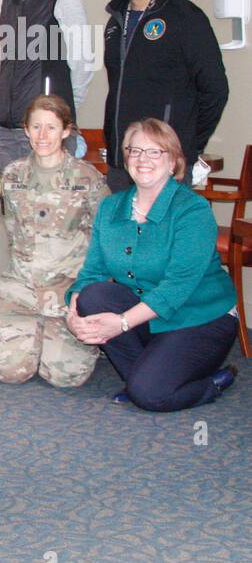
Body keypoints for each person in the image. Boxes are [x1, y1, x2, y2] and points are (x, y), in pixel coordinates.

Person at [68, 118, 238, 411]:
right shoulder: (111, 208)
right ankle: (145, 376)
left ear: (173, 162)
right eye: (135, 151)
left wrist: (121, 322)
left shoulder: (191, 211)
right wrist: (73, 311)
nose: (142, 159)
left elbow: (176, 288)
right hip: (148, 313)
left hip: (199, 316)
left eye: (154, 152)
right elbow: (92, 272)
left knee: (151, 395)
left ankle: (210, 384)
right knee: (93, 296)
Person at [0, 95, 107, 387]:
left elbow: (103, 240)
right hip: (21, 290)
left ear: (66, 131)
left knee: (65, 376)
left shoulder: (88, 180)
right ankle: (29, 334)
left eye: (51, 128)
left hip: (67, 291)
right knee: (8, 371)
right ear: (26, 130)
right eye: (36, 127)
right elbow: (12, 228)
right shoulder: (13, 176)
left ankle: (51, 336)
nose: (42, 136)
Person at [101, 0, 228, 193]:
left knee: (163, 235)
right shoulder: (114, 22)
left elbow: (215, 90)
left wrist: (183, 146)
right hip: (121, 167)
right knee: (123, 235)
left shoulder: (186, 18)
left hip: (166, 166)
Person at [0, 0, 96, 173]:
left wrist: (62, 117)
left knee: (52, 210)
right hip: (8, 130)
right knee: (13, 211)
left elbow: (83, 61)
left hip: (47, 132)